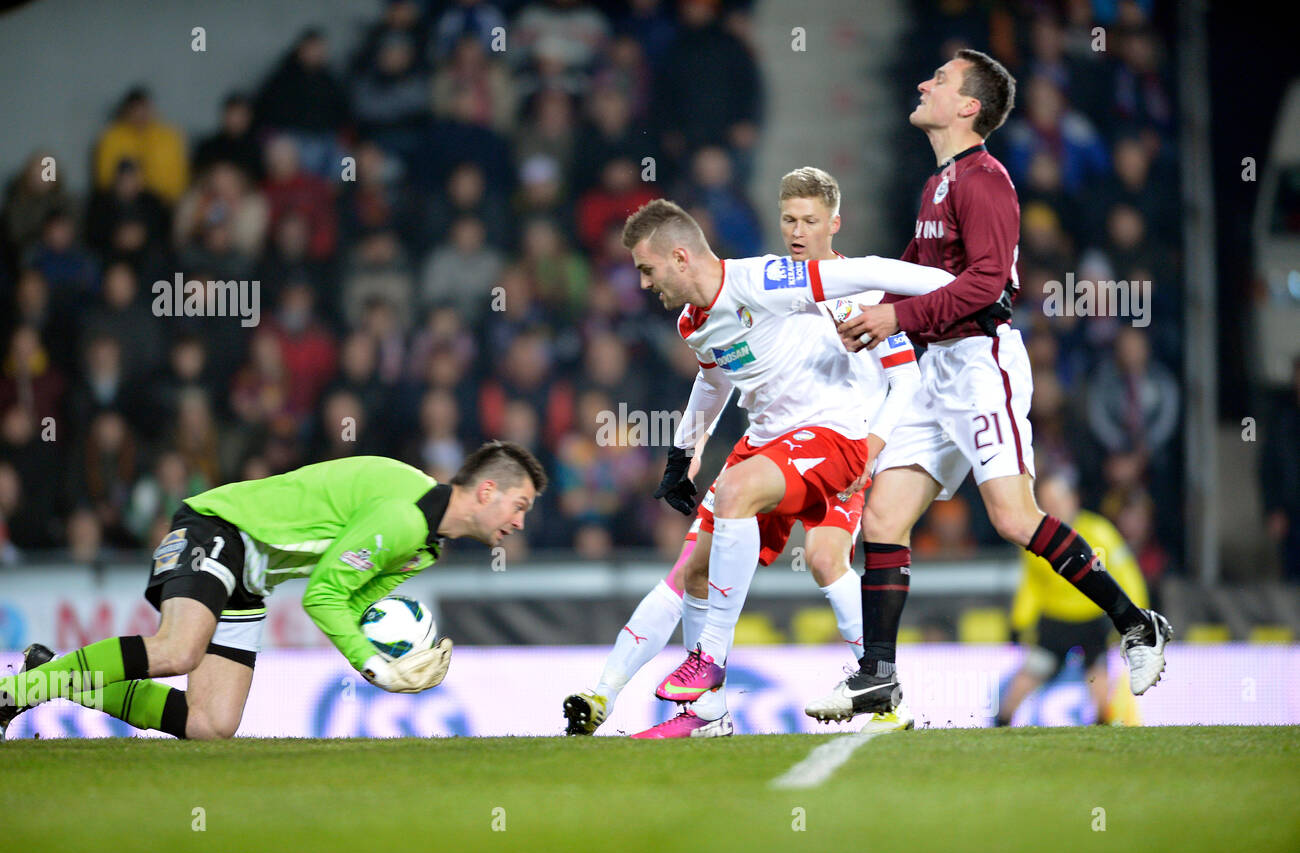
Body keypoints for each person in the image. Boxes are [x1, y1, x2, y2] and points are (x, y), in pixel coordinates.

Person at [810, 49, 1171, 724]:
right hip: (934, 371)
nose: (923, 82)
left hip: (981, 363)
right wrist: (861, 313)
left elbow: (987, 284)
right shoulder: (937, 184)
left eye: (939, 80)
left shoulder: (986, 180)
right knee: (883, 518)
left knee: (1012, 517)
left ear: (968, 107)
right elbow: (917, 272)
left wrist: (894, 315)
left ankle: (1137, 623)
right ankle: (877, 676)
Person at [563, 168, 925, 737]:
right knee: (693, 572)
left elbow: (895, 342)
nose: (797, 230)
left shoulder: (802, 283)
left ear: (835, 222)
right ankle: (667, 707)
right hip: (767, 444)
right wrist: (683, 454)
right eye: (788, 220)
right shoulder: (699, 318)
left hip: (835, 437)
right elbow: (714, 381)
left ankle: (868, 686)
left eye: (809, 220)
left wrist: (966, 286)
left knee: (824, 555)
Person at [0, 443, 546, 740]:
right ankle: (12, 697)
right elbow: (321, 598)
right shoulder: (404, 519)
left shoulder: (426, 546)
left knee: (210, 725)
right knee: (176, 650)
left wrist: (391, 652)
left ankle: (48, 673)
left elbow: (349, 603)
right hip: (220, 529)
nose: (520, 522)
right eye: (519, 506)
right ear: (487, 490)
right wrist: (375, 668)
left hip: (253, 575)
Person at [995, 473, 1148, 726]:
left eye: (1057, 501)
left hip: (1094, 619)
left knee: (1100, 684)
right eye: (1046, 503)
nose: (1053, 508)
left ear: (1073, 500)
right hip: (1055, 620)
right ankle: (1000, 723)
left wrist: (1135, 616)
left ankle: (1103, 727)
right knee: (1027, 678)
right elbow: (1031, 586)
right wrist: (1019, 622)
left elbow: (1127, 574)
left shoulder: (1100, 531)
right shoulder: (1037, 539)